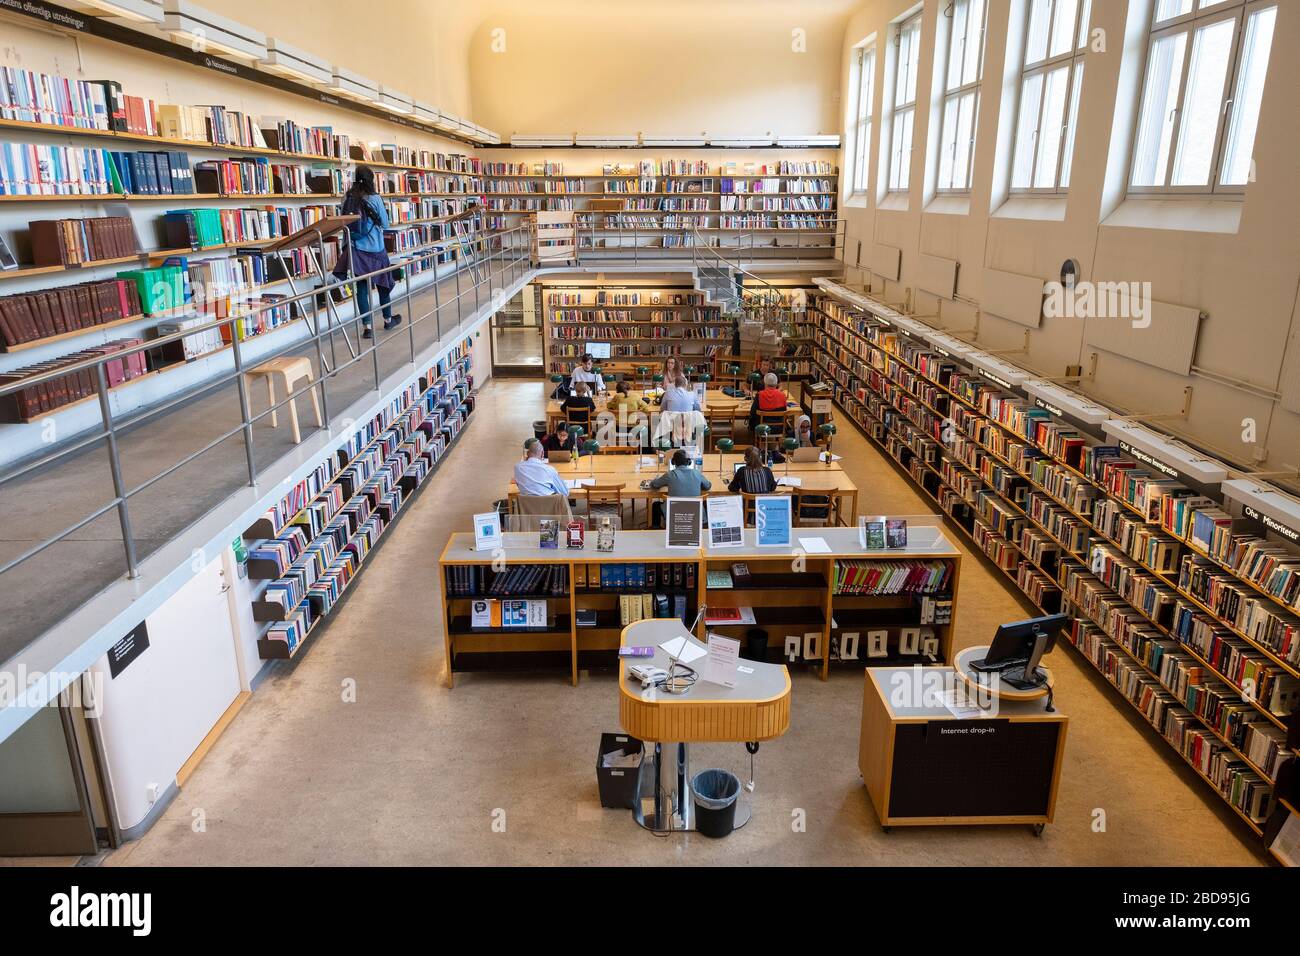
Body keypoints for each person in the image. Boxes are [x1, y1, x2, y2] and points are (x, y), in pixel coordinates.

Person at [334, 165, 401, 339]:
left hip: (356, 250)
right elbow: (385, 224)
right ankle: (388, 320)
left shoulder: (346, 197)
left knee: (362, 289)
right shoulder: (375, 198)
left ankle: (367, 327)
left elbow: (344, 223)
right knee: (383, 286)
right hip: (375, 249)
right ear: (371, 179)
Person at [648, 449, 712, 527]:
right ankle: (705, 527)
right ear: (689, 462)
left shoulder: (670, 474)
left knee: (655, 505)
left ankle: (656, 529)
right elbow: (708, 486)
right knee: (706, 502)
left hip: (675, 515)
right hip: (694, 514)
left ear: (673, 462)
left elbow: (654, 485)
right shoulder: (697, 473)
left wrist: (656, 478)